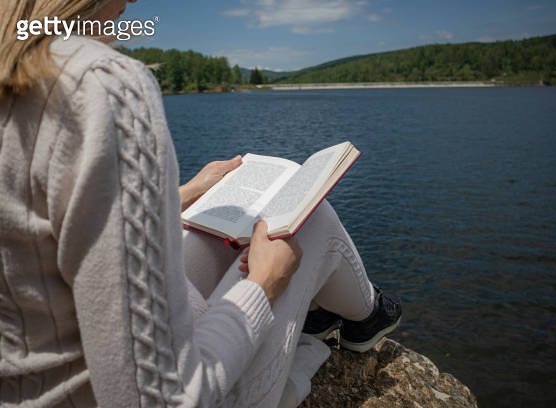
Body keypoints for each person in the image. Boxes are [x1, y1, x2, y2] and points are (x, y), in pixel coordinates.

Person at [0, 1, 401, 407]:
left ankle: (338, 318)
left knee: (210, 226)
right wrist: (264, 286)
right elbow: (165, 399)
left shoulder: (15, 65)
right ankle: (365, 318)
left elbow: (48, 231)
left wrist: (187, 192)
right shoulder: (100, 83)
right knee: (307, 220)